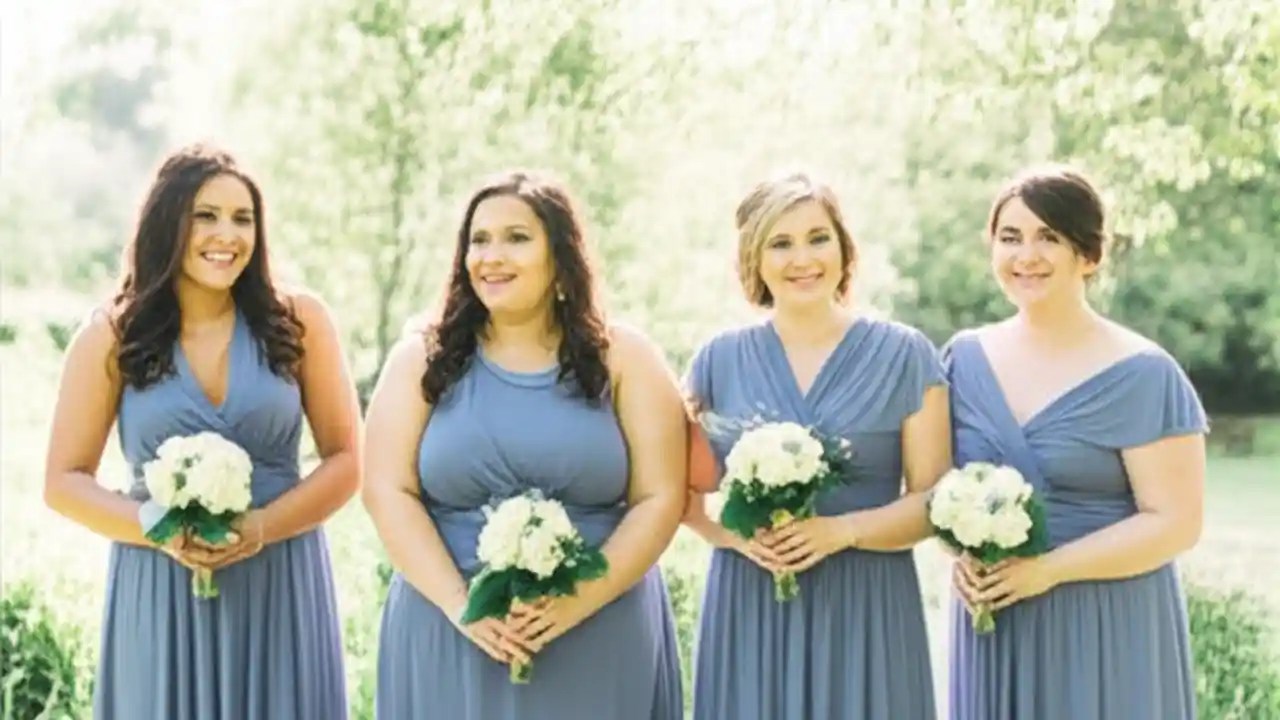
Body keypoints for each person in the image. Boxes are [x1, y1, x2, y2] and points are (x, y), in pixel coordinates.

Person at [44, 143, 359, 719]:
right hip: (159, 587)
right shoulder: (112, 336)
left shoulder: (300, 321)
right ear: (168, 222)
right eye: (206, 216)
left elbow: (346, 461)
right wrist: (156, 528)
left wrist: (261, 528)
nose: (228, 235)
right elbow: (63, 482)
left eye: (243, 218)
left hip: (279, 583)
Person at [363, 170, 684, 719]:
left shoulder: (626, 357)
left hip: (599, 630)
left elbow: (660, 497)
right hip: (450, 631)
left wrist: (574, 604)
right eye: (479, 240)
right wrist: (464, 608)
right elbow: (386, 490)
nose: (491, 256)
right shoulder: (421, 358)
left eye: (516, 238)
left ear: (560, 257)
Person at [683, 172, 951, 720]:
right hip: (750, 605)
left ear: (844, 248)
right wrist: (738, 539)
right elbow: (681, 498)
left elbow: (933, 502)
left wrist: (841, 531)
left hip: (867, 608)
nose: (802, 259)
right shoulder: (717, 360)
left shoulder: (905, 356)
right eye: (780, 244)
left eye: (818, 238)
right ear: (754, 259)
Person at [946, 165, 1207, 720]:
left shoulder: (1143, 374)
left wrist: (1048, 570)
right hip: (995, 621)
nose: (1026, 256)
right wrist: (959, 551)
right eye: (1010, 237)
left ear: (1088, 255)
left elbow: (1176, 523)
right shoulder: (962, 361)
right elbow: (938, 490)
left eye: (1048, 237)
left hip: (1105, 624)